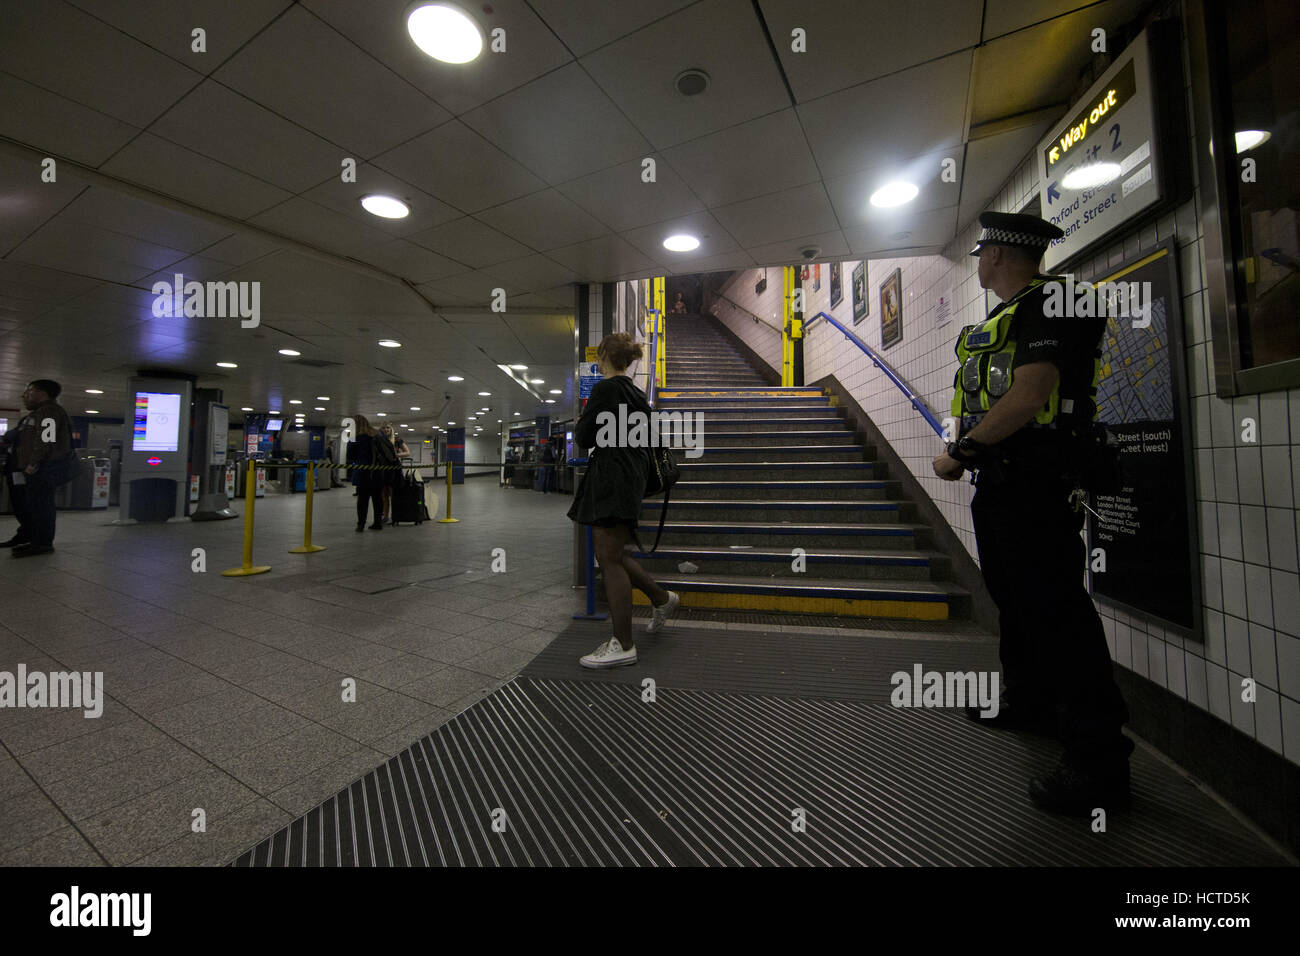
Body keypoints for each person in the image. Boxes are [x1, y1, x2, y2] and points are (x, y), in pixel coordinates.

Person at [932, 210, 1133, 816]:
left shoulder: (1056, 301)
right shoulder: (1012, 312)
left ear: (999, 253)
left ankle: (1099, 764)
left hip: (1039, 485)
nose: (979, 260)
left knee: (1057, 612)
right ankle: (1030, 702)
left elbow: (1033, 391)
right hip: (1003, 483)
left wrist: (963, 451)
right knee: (1017, 600)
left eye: (982, 250)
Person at [568, 332, 680, 668]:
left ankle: (624, 643)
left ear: (603, 356)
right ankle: (662, 599)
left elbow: (585, 438)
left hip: (612, 480)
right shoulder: (636, 393)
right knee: (613, 552)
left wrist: (584, 422)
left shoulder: (605, 390)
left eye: (598, 357)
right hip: (629, 479)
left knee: (609, 558)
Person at [3, 380, 74, 556]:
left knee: (41, 506)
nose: (24, 396)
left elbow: (46, 440)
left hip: (42, 469)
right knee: (31, 505)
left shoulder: (49, 412)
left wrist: (33, 464)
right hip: (34, 469)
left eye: (29, 392)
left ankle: (42, 543)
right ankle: (29, 536)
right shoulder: (37, 413)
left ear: (42, 394)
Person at [349, 416, 384, 532]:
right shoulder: (377, 435)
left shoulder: (356, 437)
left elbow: (350, 456)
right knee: (377, 498)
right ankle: (378, 522)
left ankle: (361, 524)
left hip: (363, 472)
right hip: (377, 472)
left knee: (363, 499)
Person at [374, 424, 401, 524]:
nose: (386, 429)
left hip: (393, 471)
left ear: (391, 429)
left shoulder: (397, 440)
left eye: (388, 428)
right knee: (384, 496)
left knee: (392, 495)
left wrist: (395, 455)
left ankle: (395, 516)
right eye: (384, 428)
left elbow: (407, 452)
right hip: (382, 470)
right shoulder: (379, 441)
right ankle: (385, 516)